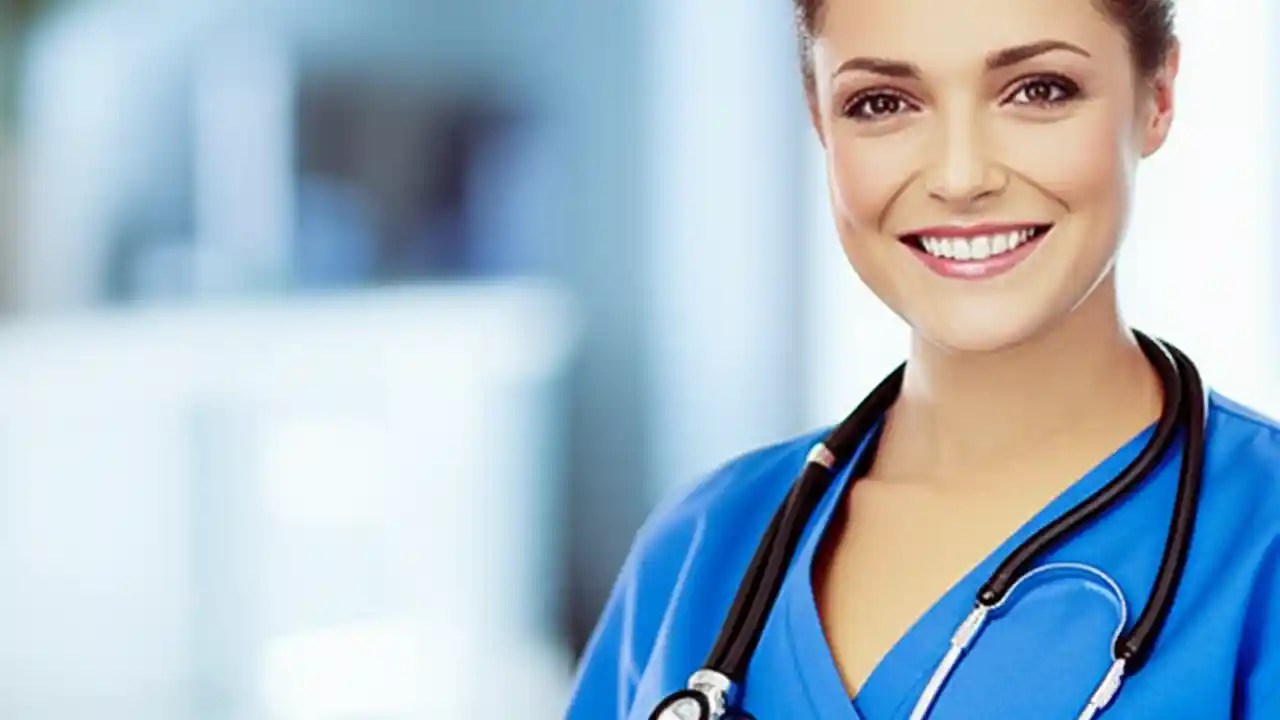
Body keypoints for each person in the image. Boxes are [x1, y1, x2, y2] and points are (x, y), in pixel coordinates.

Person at [565, 0, 1280, 717]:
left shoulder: (1260, 546)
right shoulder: (705, 543)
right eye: (882, 103)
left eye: (1038, 90)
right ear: (818, 118)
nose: (961, 176)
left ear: (1156, 97)